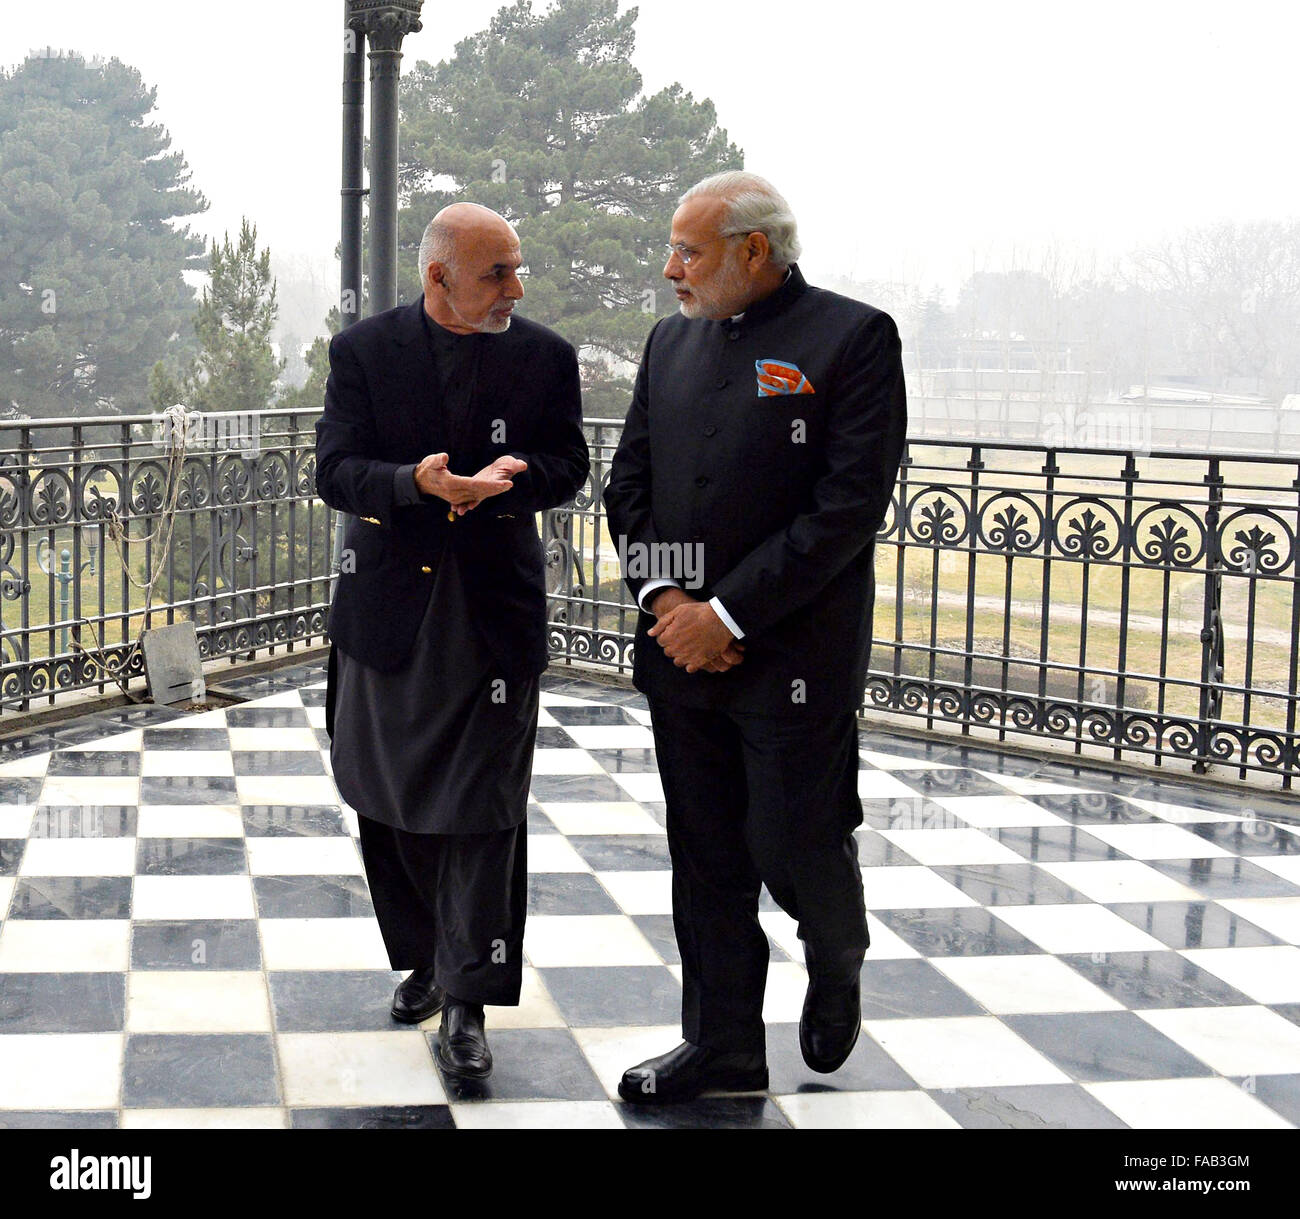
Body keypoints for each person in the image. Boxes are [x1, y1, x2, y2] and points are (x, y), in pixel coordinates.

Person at [603, 171, 907, 1103]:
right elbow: (631, 488)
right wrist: (667, 604)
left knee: (790, 840)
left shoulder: (854, 338)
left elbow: (846, 508)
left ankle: (837, 943)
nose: (669, 271)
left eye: (686, 251)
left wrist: (725, 616)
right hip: (680, 653)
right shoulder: (669, 342)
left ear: (753, 252)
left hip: (792, 661)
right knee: (706, 855)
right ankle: (724, 1044)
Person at [316, 203, 589, 1081]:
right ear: (439, 278)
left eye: (516, 268)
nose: (516, 287)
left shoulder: (546, 357)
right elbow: (334, 467)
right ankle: (427, 957)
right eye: (497, 272)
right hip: (388, 611)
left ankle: (468, 999)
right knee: (379, 788)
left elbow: (569, 463)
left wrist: (509, 481)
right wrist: (413, 483)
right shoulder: (365, 353)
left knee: (483, 810)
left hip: (491, 620)